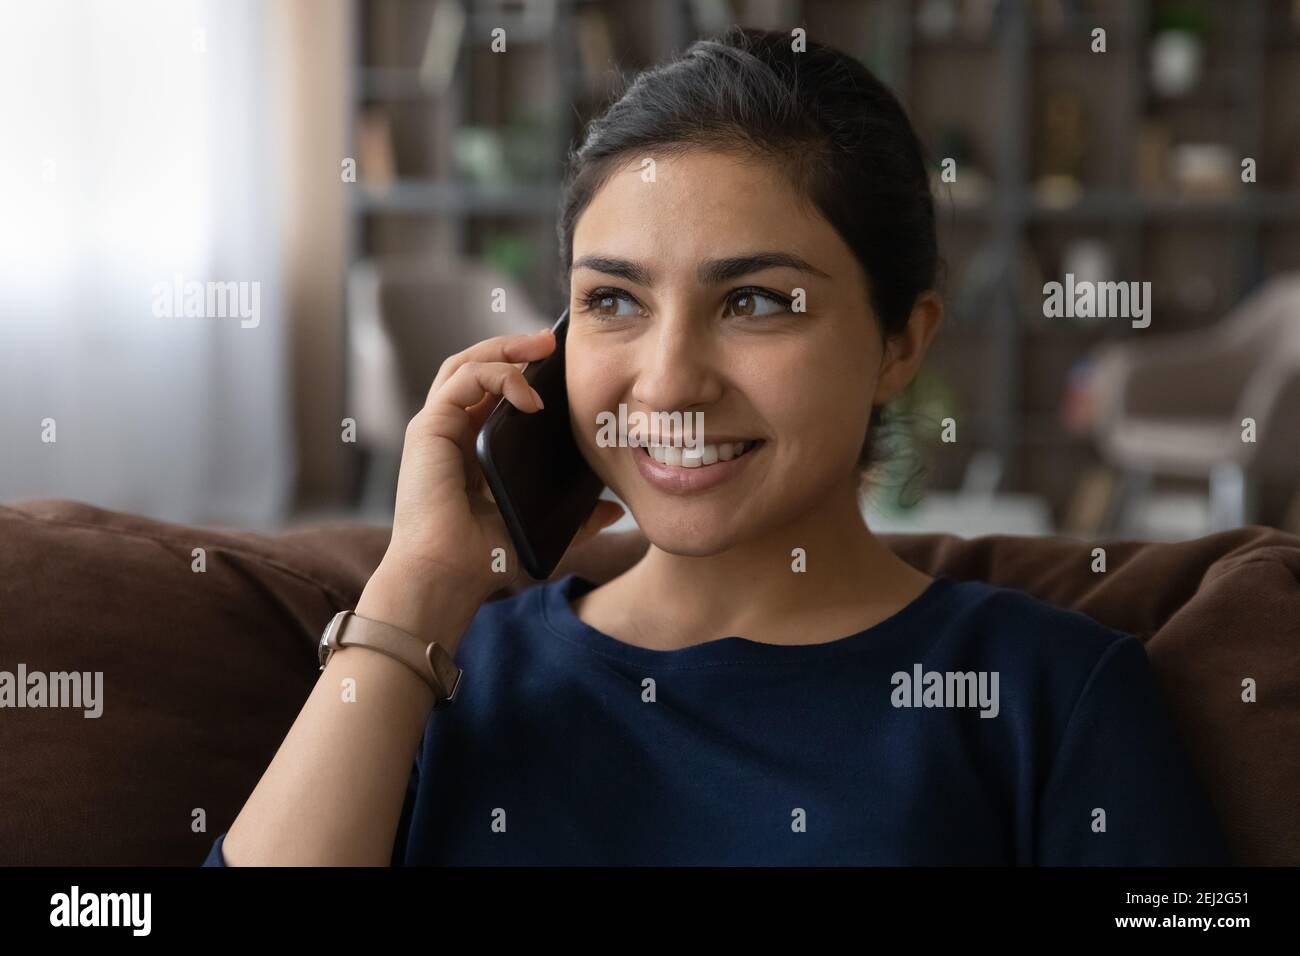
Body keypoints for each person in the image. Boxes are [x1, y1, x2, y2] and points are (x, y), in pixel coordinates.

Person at [204, 26, 1229, 866]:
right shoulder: (440, 670)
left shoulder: (1050, 694)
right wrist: (413, 592)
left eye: (754, 300)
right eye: (612, 300)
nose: (667, 380)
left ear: (898, 341)